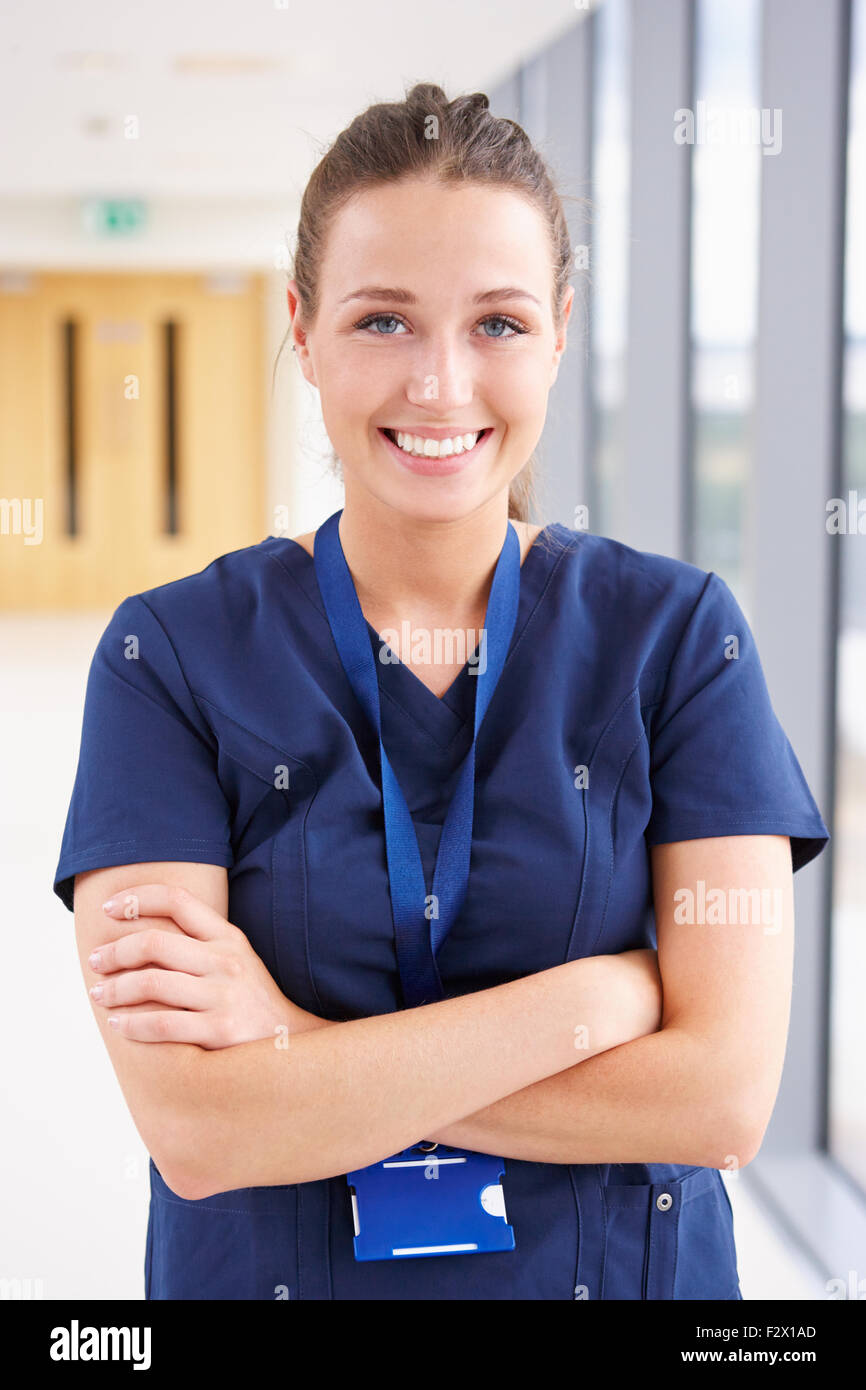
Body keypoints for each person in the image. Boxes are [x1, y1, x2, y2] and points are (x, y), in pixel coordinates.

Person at [54, 82, 830, 1300]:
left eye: (499, 324)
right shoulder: (170, 657)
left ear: (559, 332)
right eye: (382, 321)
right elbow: (202, 1129)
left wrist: (300, 1057)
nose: (439, 384)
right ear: (302, 330)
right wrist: (596, 1000)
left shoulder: (677, 640)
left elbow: (719, 1098)